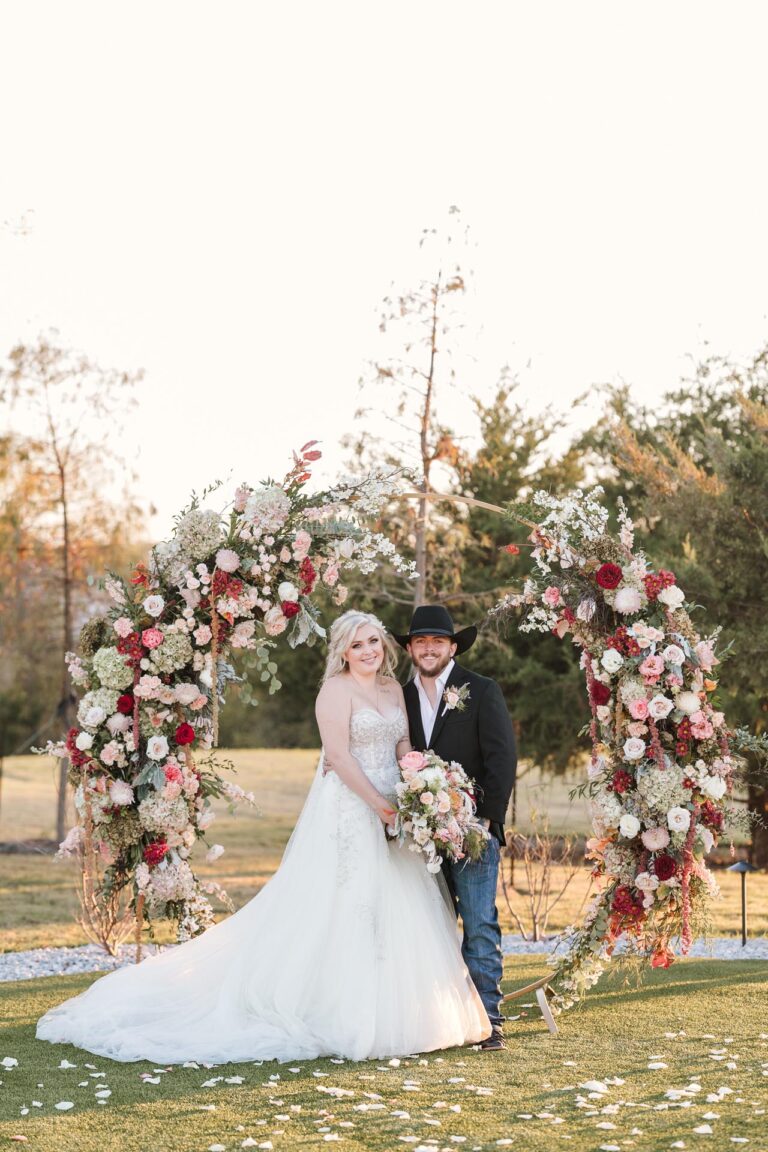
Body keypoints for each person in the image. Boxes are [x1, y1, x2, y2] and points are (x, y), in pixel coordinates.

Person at [36, 610, 490, 1064]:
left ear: (385, 645)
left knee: (397, 904)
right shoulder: (334, 691)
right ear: (343, 653)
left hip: (395, 804)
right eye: (357, 645)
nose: (368, 650)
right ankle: (337, 1009)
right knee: (349, 902)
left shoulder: (393, 688)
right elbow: (338, 757)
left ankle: (401, 1011)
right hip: (352, 808)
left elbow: (402, 743)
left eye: (373, 641)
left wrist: (416, 781)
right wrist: (380, 806)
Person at [395, 605, 517, 1051]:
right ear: (410, 648)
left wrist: (488, 819)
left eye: (438, 641)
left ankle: (489, 1022)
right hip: (421, 838)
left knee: (480, 924)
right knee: (430, 926)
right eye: (420, 642)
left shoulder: (480, 690)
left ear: (452, 647)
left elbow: (502, 756)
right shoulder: (399, 698)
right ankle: (440, 1021)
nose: (429, 649)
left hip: (472, 833)